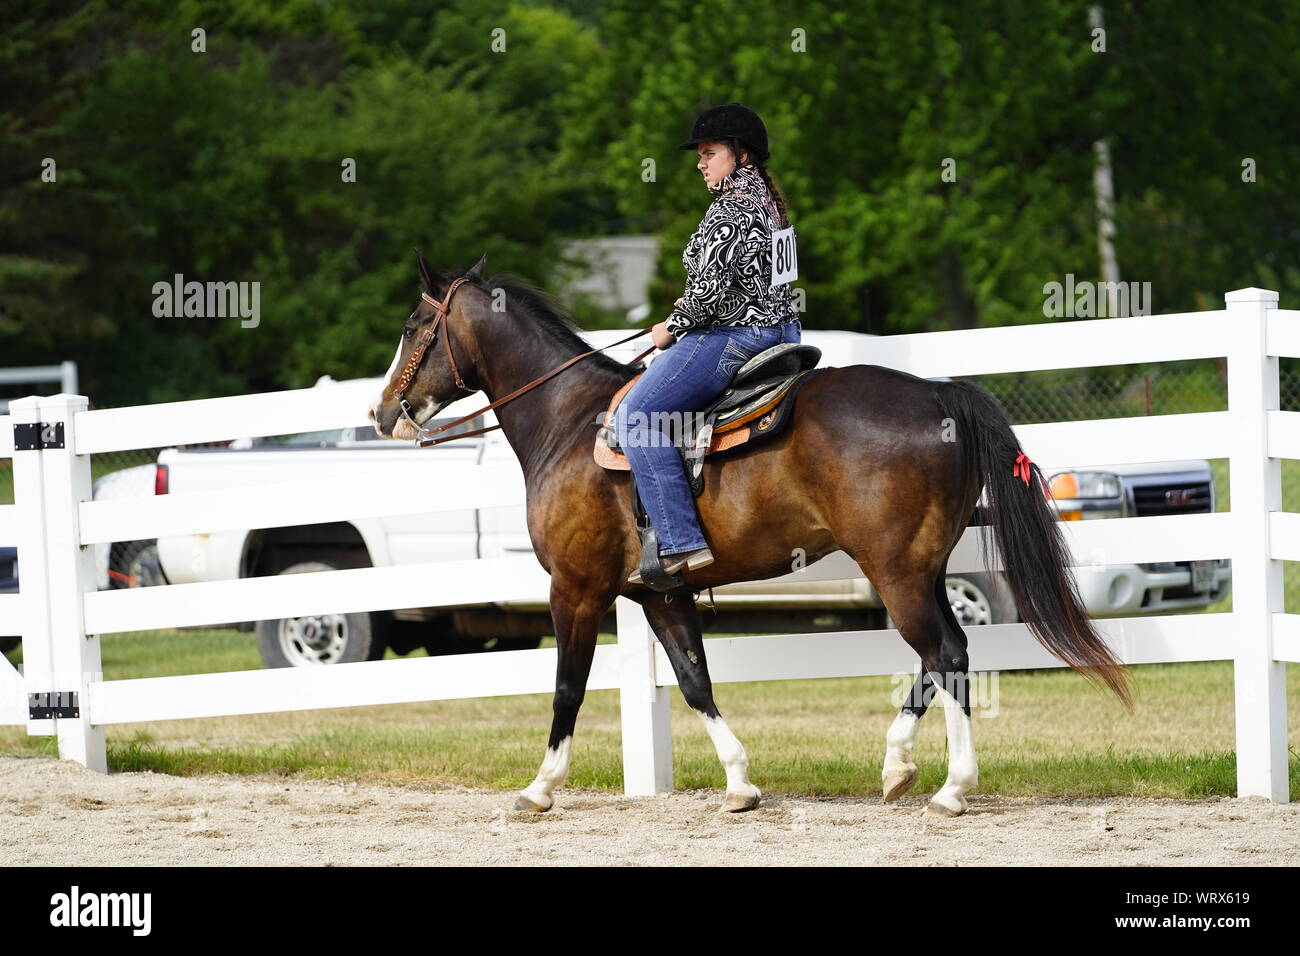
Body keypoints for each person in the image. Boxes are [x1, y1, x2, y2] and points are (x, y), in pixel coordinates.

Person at [617, 102, 802, 584]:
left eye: (710, 152)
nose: (701, 163)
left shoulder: (731, 209)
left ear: (741, 156)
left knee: (635, 418)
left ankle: (679, 542)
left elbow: (708, 294)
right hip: (784, 333)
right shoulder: (769, 204)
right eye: (699, 154)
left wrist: (671, 327)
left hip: (733, 337)